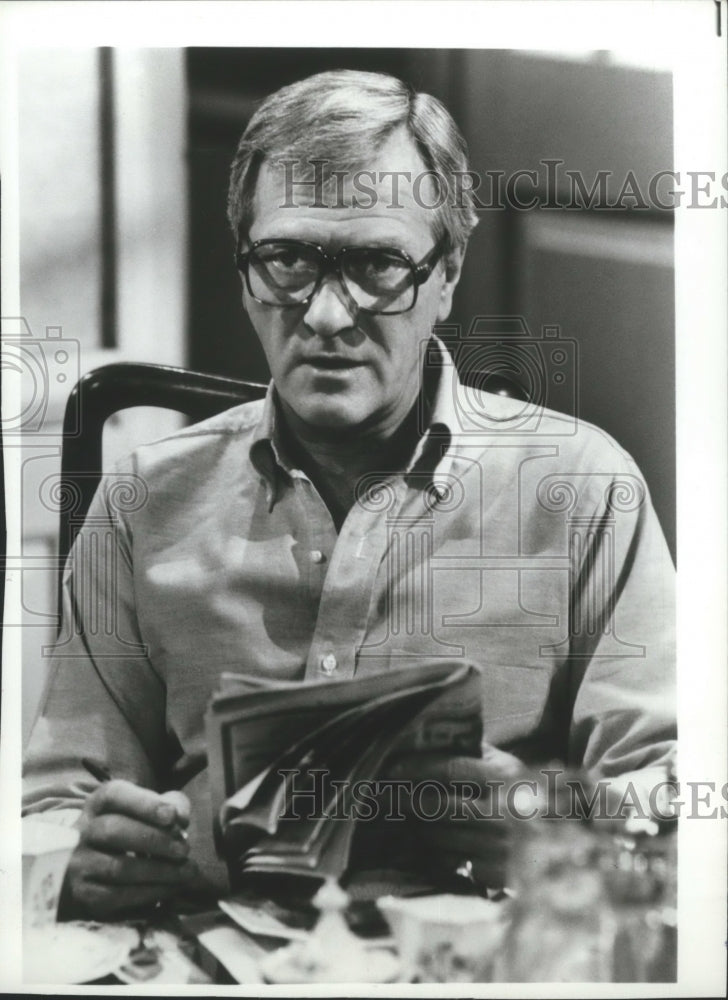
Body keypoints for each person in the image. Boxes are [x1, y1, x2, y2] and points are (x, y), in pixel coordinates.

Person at [23, 70, 675, 920]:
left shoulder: (584, 489)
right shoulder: (142, 502)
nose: (327, 314)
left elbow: (677, 799)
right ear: (243, 271)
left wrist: (539, 820)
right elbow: (49, 812)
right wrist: (82, 858)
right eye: (288, 259)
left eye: (376, 264)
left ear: (446, 277)